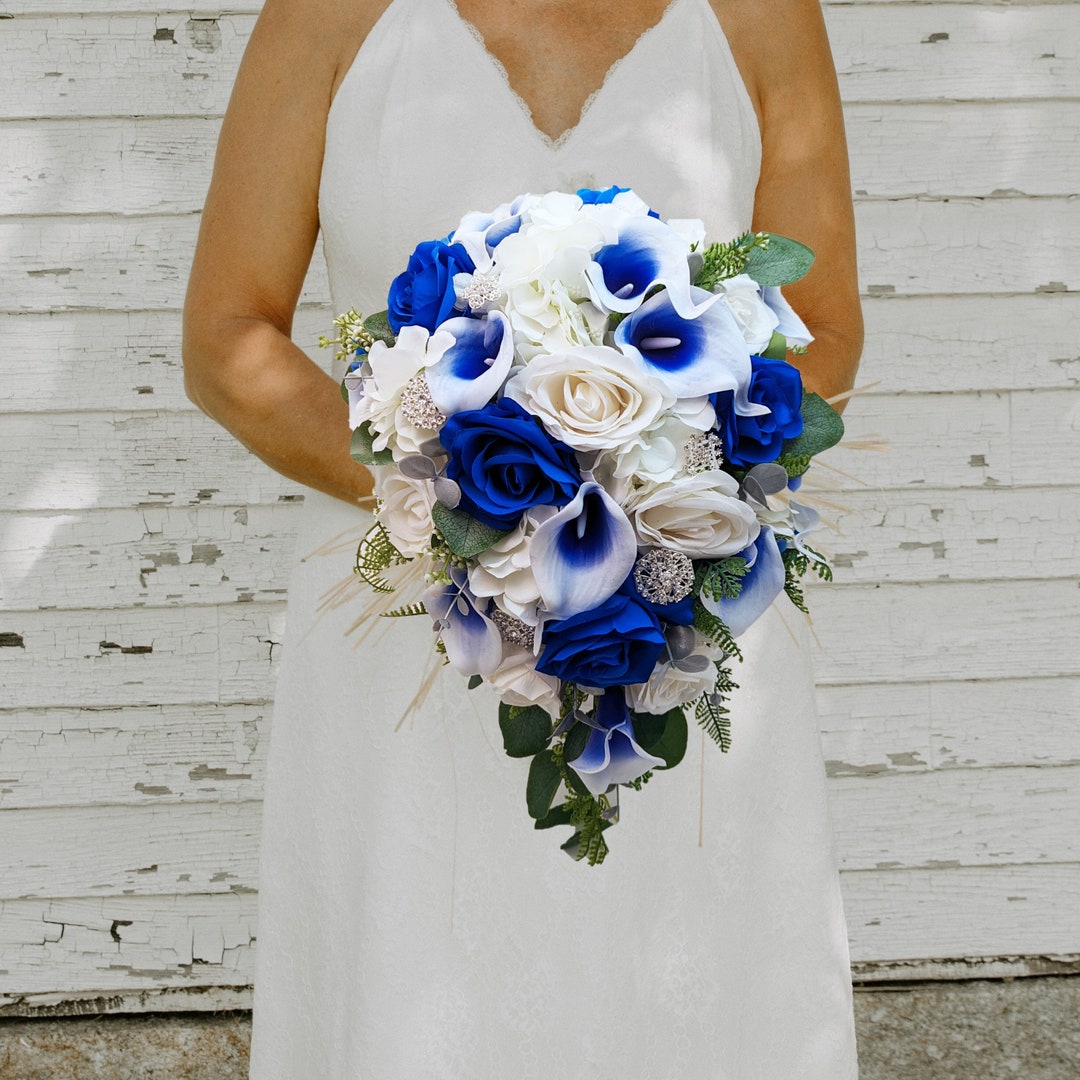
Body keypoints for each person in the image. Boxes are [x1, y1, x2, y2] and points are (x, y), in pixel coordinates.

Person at [184, 0, 863, 1075]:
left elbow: (821, 325)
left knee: (684, 981)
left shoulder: (762, 15)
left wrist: (645, 489)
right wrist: (469, 505)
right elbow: (227, 334)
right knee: (416, 976)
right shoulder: (325, 17)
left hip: (666, 600)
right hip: (402, 609)